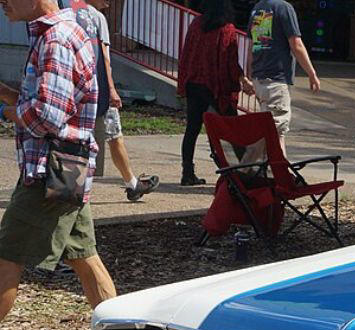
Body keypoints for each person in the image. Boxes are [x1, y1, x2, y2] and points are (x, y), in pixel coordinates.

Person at [0, 0, 118, 330]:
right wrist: (6, 94)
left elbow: (47, 116)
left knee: (5, 256)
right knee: (86, 260)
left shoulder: (56, 40)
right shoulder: (64, 33)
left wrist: (8, 112)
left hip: (47, 173)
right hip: (68, 170)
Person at [71, 0, 159, 202]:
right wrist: (111, 89)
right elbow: (104, 58)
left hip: (77, 88)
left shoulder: (70, 12)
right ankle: (131, 184)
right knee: (113, 135)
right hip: (98, 88)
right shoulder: (96, 18)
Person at [176, 0, 245, 185]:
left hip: (194, 82)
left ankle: (187, 172)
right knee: (230, 129)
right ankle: (234, 173)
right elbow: (229, 61)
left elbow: (186, 53)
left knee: (192, 128)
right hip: (215, 85)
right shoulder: (227, 29)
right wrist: (239, 80)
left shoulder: (196, 24)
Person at [246, 0, 320, 146]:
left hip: (259, 78)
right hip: (276, 80)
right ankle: (253, 167)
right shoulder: (284, 8)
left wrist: (250, 74)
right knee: (276, 133)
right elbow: (296, 44)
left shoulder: (258, 8)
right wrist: (311, 73)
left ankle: (271, 167)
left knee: (271, 133)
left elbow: (252, 45)